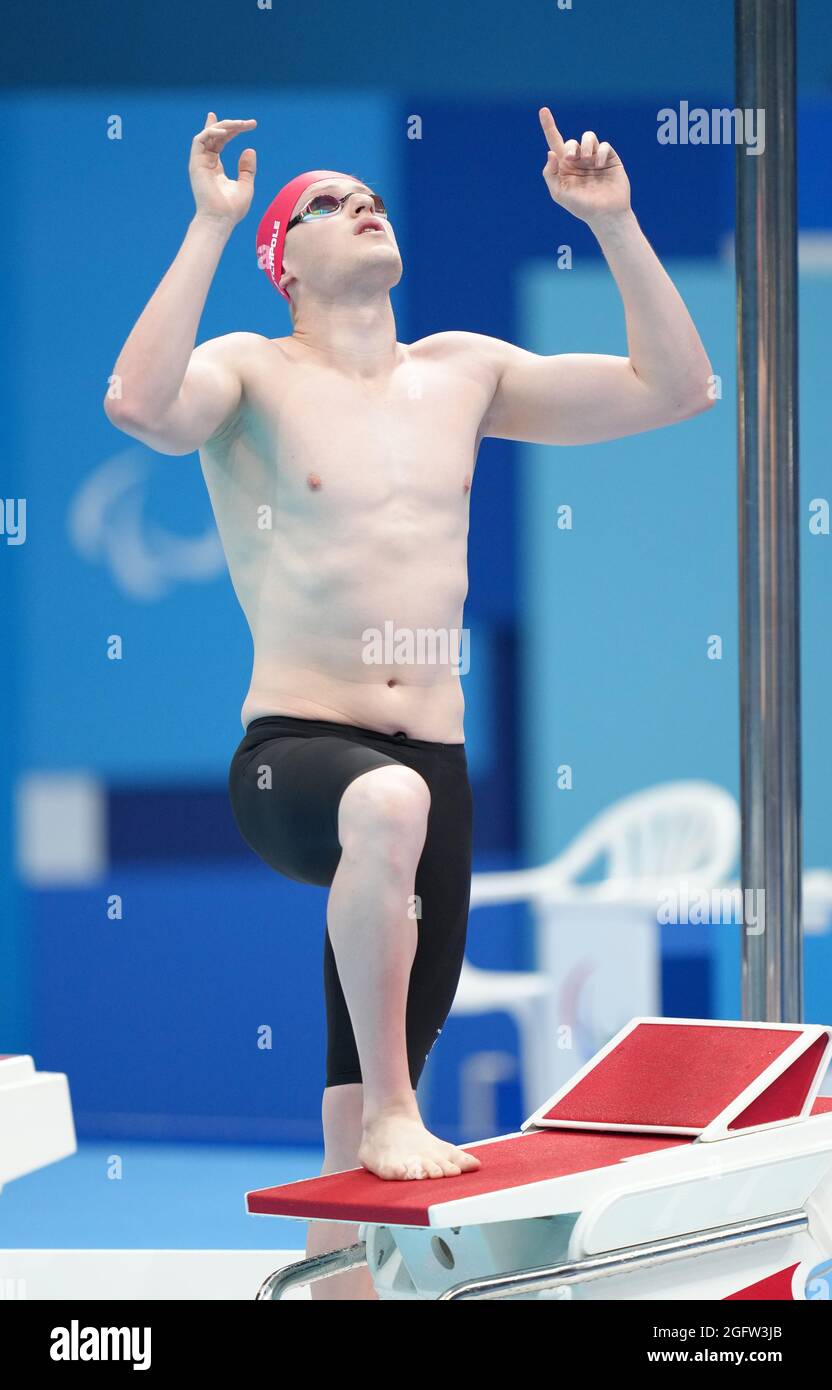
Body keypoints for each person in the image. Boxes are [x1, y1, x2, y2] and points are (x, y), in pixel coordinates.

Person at [103, 108, 714, 1299]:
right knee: (380, 821)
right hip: (295, 757)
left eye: (368, 196)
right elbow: (135, 401)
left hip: (435, 773)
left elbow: (677, 386)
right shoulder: (249, 370)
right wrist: (208, 224)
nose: (363, 204)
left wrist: (615, 223)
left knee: (358, 1154)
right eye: (326, 203)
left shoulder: (463, 371)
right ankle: (396, 1106)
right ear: (280, 259)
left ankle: (339, 1270)